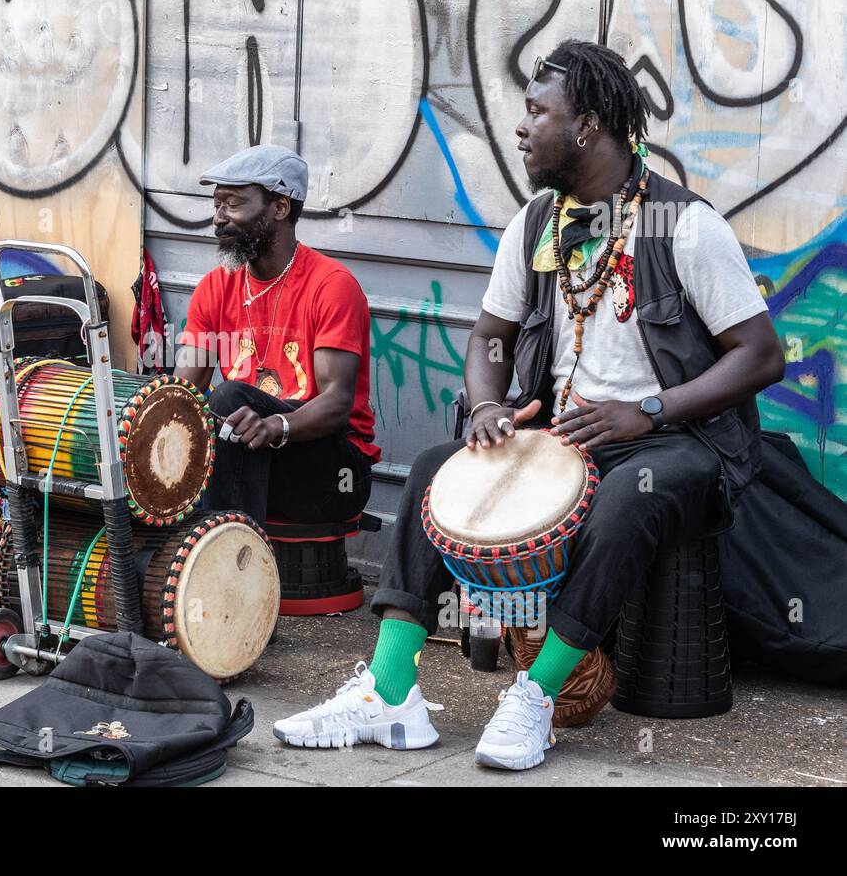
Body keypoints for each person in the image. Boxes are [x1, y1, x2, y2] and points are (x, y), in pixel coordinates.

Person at [272, 40, 785, 769]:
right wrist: (486, 404)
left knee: (626, 499)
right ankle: (390, 695)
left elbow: (762, 355)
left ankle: (537, 695)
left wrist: (651, 409)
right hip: (561, 435)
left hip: (677, 444)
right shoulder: (538, 221)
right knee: (431, 468)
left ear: (588, 125)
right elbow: (491, 335)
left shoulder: (685, 226)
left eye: (537, 111)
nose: (521, 126)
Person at [174, 144, 379, 529]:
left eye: (233, 204)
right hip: (251, 457)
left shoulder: (332, 286)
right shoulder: (214, 287)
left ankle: (228, 559)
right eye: (217, 205)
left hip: (332, 474)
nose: (218, 218)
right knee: (204, 414)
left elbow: (336, 405)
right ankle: (220, 554)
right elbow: (183, 392)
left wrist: (276, 427)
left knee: (230, 396)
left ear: (280, 208)